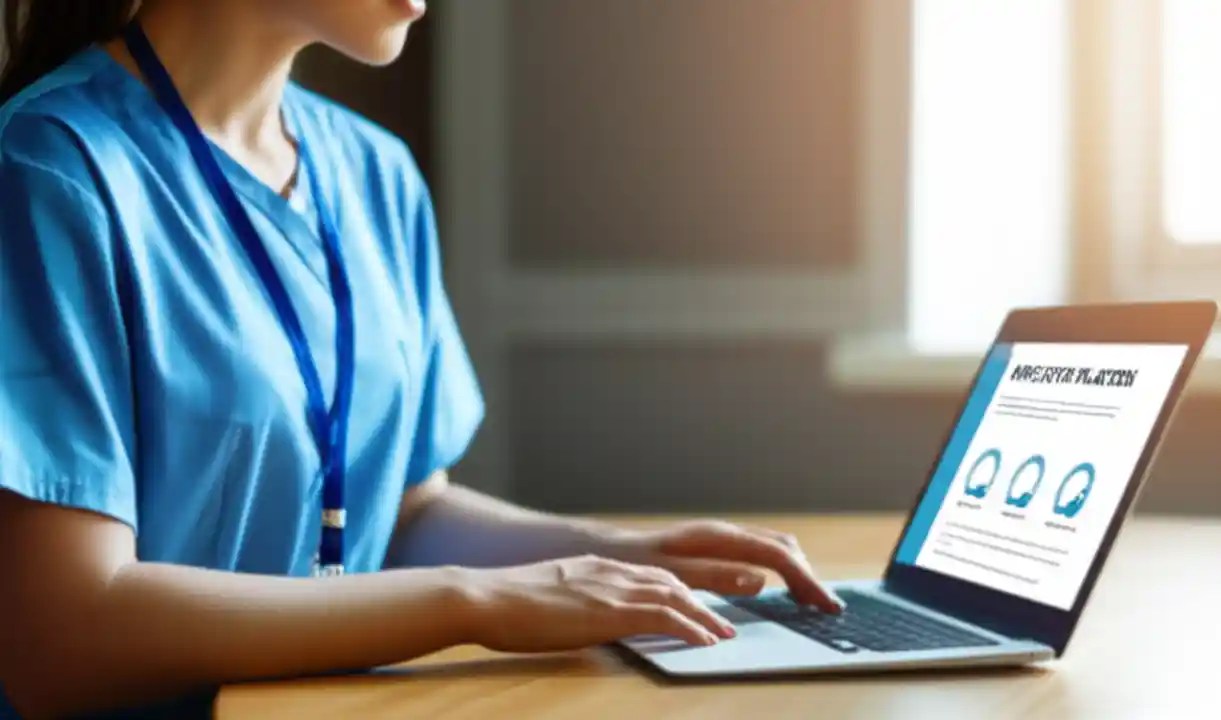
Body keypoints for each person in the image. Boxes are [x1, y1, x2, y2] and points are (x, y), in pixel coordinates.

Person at [0, 1, 842, 716]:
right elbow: (62, 636)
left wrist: (616, 556)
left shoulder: (376, 174)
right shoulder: (49, 169)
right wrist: (475, 601)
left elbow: (398, 516)